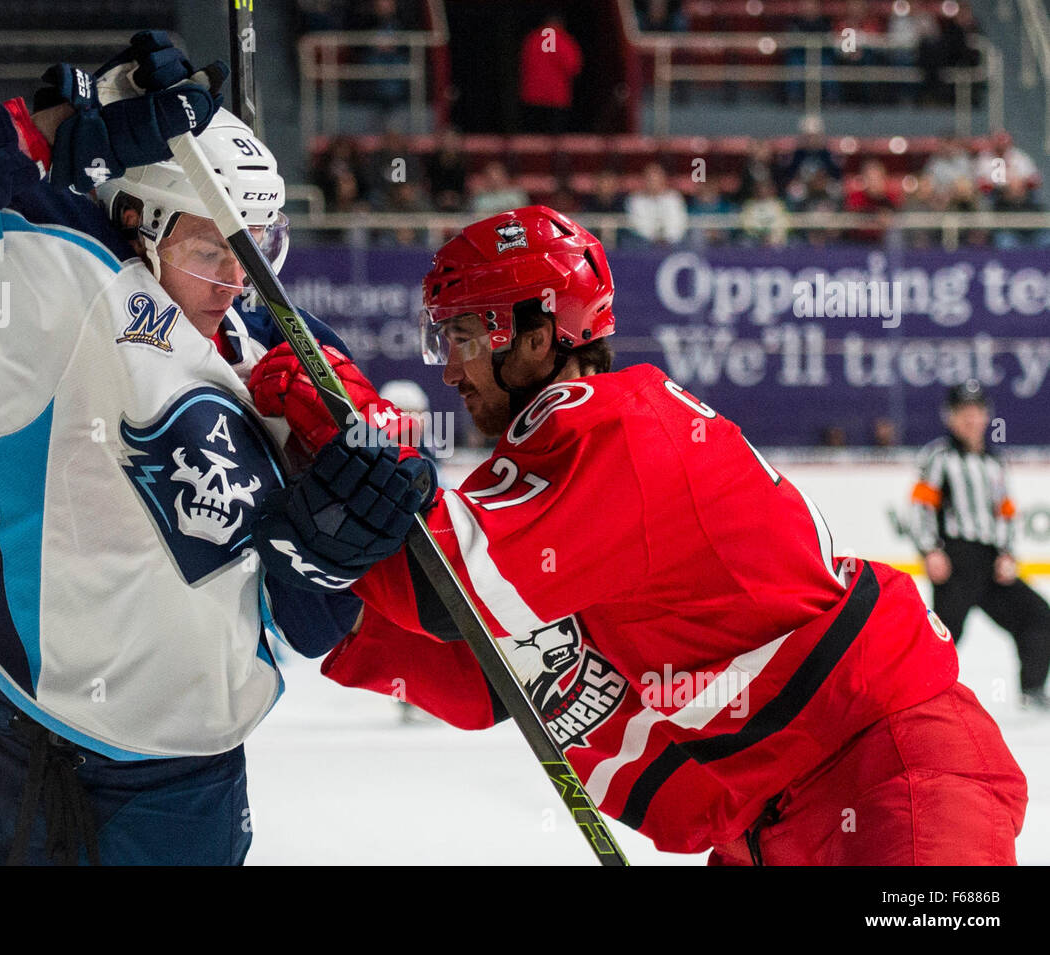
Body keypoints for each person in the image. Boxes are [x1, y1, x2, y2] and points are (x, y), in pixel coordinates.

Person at [248, 205, 1027, 864]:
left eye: (462, 335)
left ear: (536, 332)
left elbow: (442, 586)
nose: (450, 369)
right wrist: (344, 623)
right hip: (783, 814)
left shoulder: (610, 427)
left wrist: (325, 398)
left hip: (891, 779)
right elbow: (504, 675)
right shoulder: (566, 481)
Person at [0, 32, 360, 866]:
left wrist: (346, 544)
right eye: (213, 252)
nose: (237, 283)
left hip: (181, 795)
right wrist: (62, 118)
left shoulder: (281, 351)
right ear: (139, 222)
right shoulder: (59, 273)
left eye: (255, 249)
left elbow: (312, 603)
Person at [912, 380, 1050, 710]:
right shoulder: (939, 457)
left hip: (990, 563)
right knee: (942, 637)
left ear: (986, 415)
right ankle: (918, 700)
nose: (971, 418)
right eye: (964, 411)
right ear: (951, 417)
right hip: (956, 559)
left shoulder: (994, 463)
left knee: (1037, 615)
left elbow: (1004, 512)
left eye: (977, 410)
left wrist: (1006, 554)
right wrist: (931, 550)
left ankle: (1032, 690)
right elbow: (921, 507)